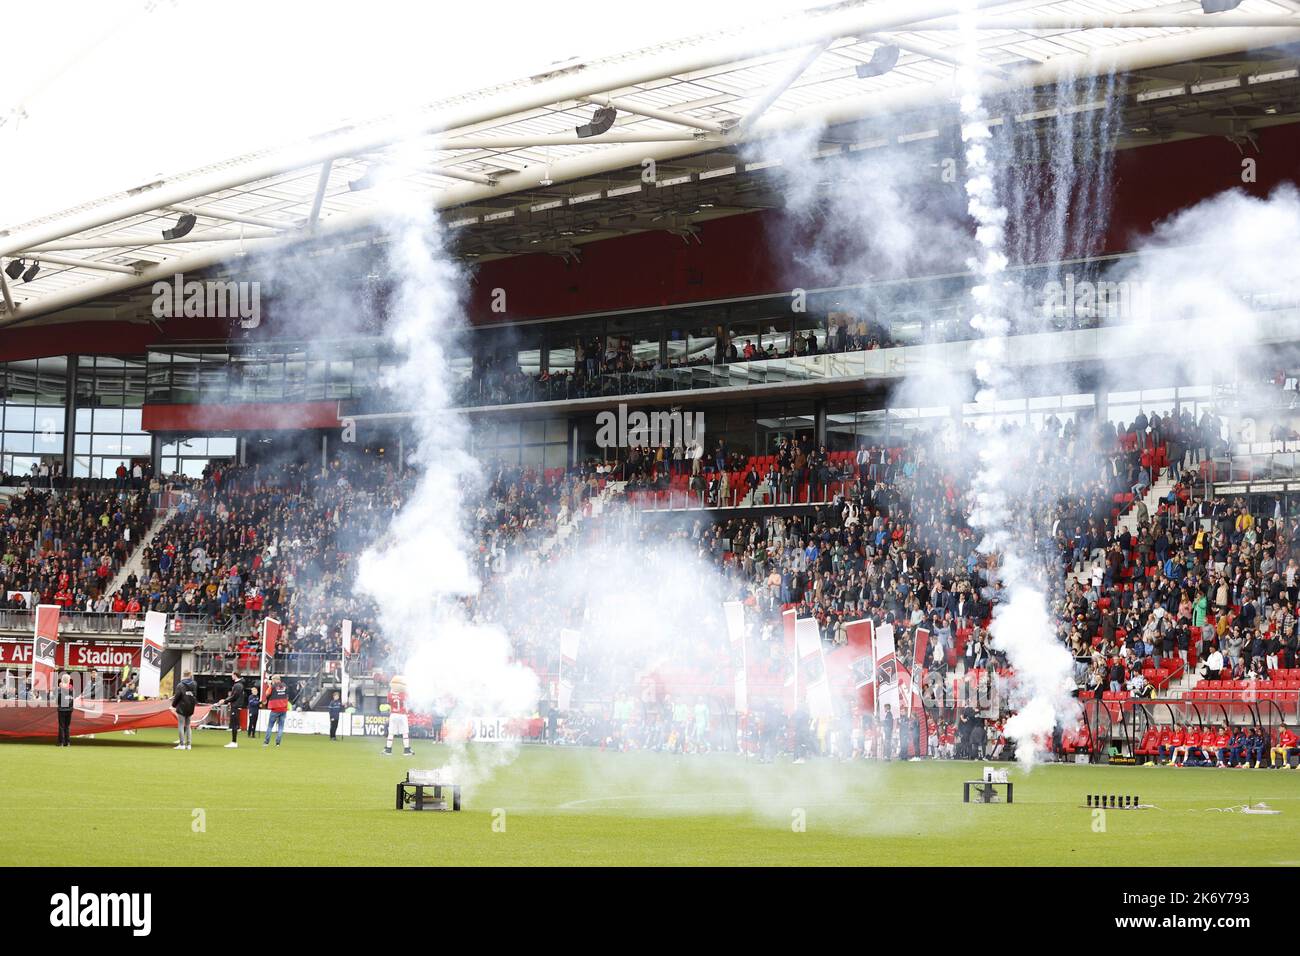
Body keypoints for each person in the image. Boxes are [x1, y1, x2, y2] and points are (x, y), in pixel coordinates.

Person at [383, 676, 412, 757]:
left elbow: (389, 702)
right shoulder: (404, 694)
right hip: (402, 714)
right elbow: (408, 702)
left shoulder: (389, 695)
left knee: (391, 733)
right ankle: (406, 750)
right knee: (405, 733)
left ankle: (388, 749)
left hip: (393, 714)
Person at [171, 669, 198, 750]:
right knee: (188, 725)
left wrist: (173, 705)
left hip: (182, 706)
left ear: (183, 675)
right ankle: (189, 744)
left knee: (181, 725)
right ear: (190, 675)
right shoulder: (194, 684)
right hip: (190, 706)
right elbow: (195, 695)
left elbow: (177, 696)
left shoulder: (180, 685)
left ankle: (182, 744)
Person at [262, 674, 288, 747]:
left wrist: (269, 686)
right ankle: (278, 743)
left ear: (275, 679)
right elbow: (287, 695)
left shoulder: (272, 687)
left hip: (275, 709)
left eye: (273, 680)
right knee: (280, 727)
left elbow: (266, 694)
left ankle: (266, 742)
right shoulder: (285, 686)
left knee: (270, 726)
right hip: (283, 708)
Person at [222, 672, 246, 748]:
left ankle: (234, 742)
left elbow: (234, 696)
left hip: (236, 707)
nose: (231, 676)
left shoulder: (238, 685)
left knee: (234, 725)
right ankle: (233, 742)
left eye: (232, 675)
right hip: (235, 705)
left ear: (235, 675)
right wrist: (229, 702)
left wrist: (225, 701)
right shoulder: (238, 684)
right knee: (234, 725)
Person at [55, 673, 75, 747]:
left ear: (62, 680)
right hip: (69, 709)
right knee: (67, 726)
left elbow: (57, 700)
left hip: (61, 709)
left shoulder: (60, 689)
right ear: (69, 680)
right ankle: (68, 742)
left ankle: (61, 742)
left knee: (61, 726)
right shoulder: (71, 689)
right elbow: (72, 699)